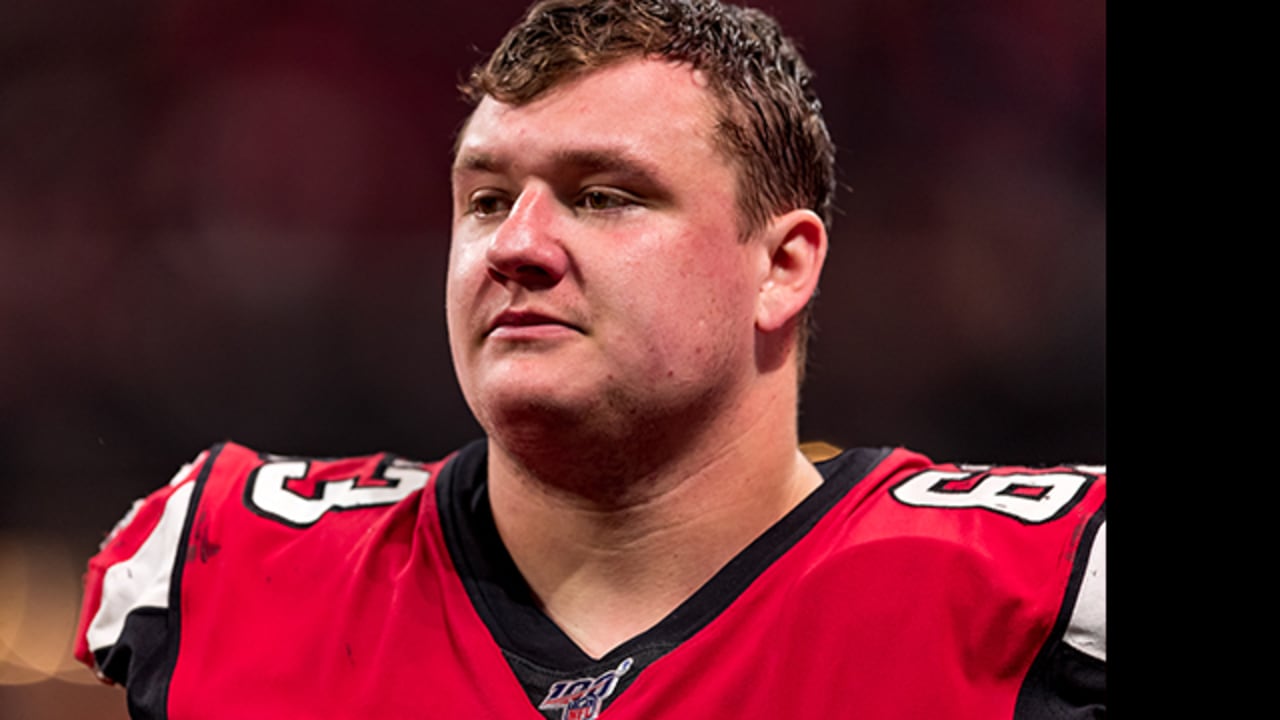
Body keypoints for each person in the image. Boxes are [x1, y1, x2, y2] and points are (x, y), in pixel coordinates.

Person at [74, 0, 1106, 718]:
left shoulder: (1034, 595)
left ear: (781, 266)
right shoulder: (232, 574)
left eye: (603, 194)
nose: (514, 244)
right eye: (484, 200)